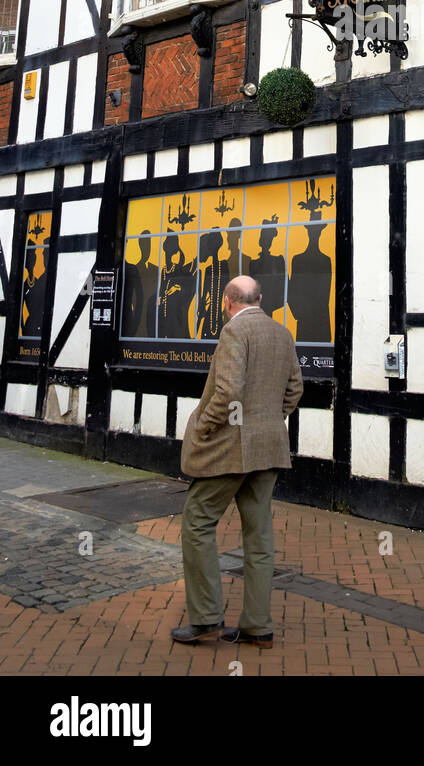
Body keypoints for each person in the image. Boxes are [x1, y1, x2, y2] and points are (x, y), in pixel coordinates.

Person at [172, 275, 303, 648]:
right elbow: (295, 389)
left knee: (197, 522)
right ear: (259, 299)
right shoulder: (282, 333)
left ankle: (206, 619)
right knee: (259, 536)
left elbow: (228, 391)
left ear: (228, 301)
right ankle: (258, 627)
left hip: (231, 446)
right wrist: (268, 421)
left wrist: (205, 428)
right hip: (269, 447)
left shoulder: (233, 332)